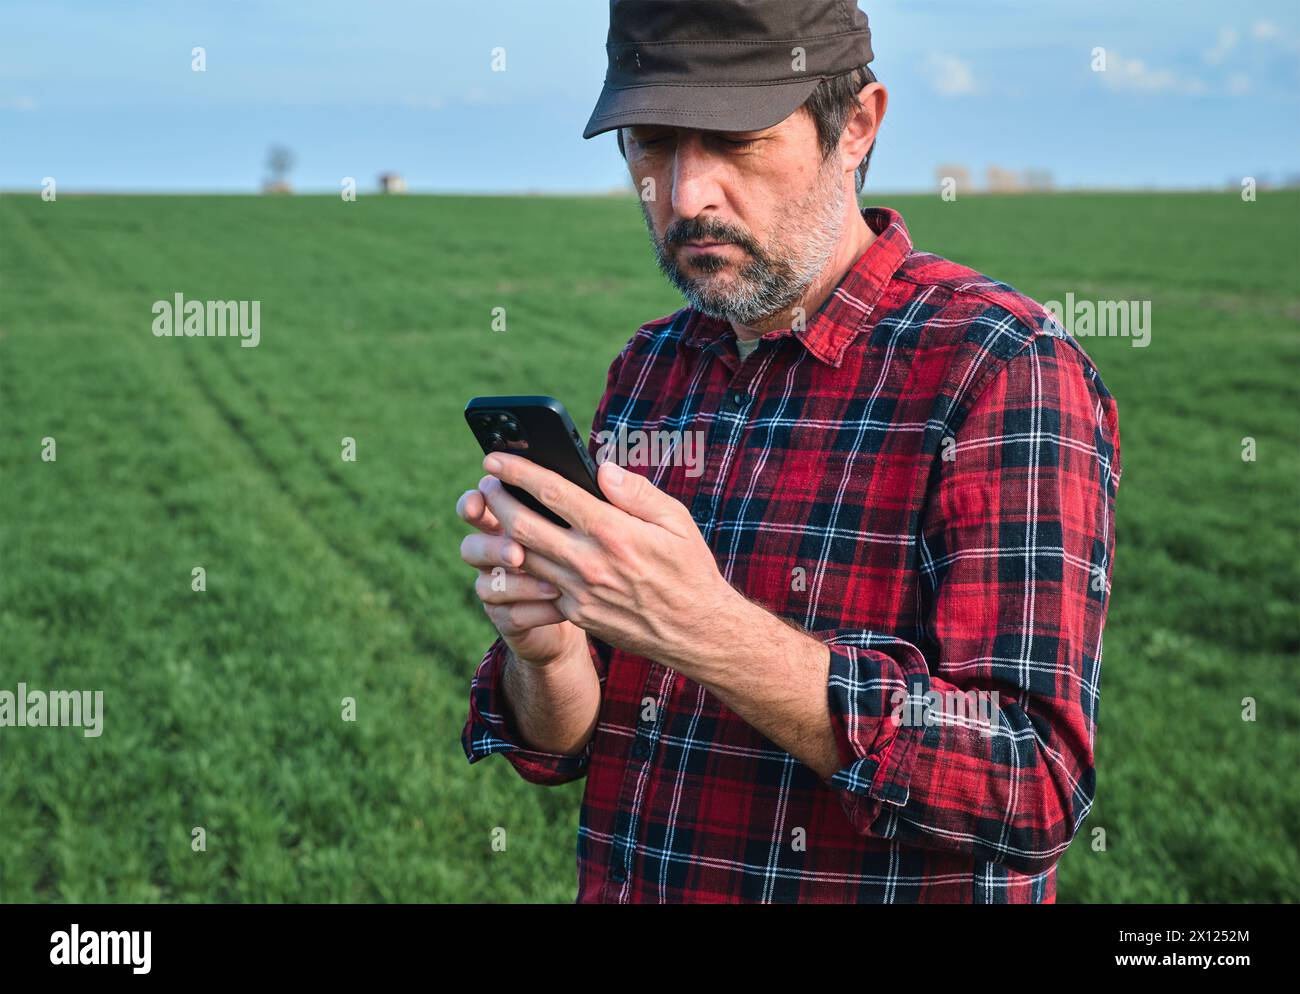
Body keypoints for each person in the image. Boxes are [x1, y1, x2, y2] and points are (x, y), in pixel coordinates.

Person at [457, 0, 1120, 903]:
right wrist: (547, 654)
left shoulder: (998, 365)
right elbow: (570, 739)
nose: (685, 195)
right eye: (651, 143)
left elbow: (1034, 785)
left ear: (856, 126)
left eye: (735, 139)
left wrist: (706, 629)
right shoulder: (653, 368)